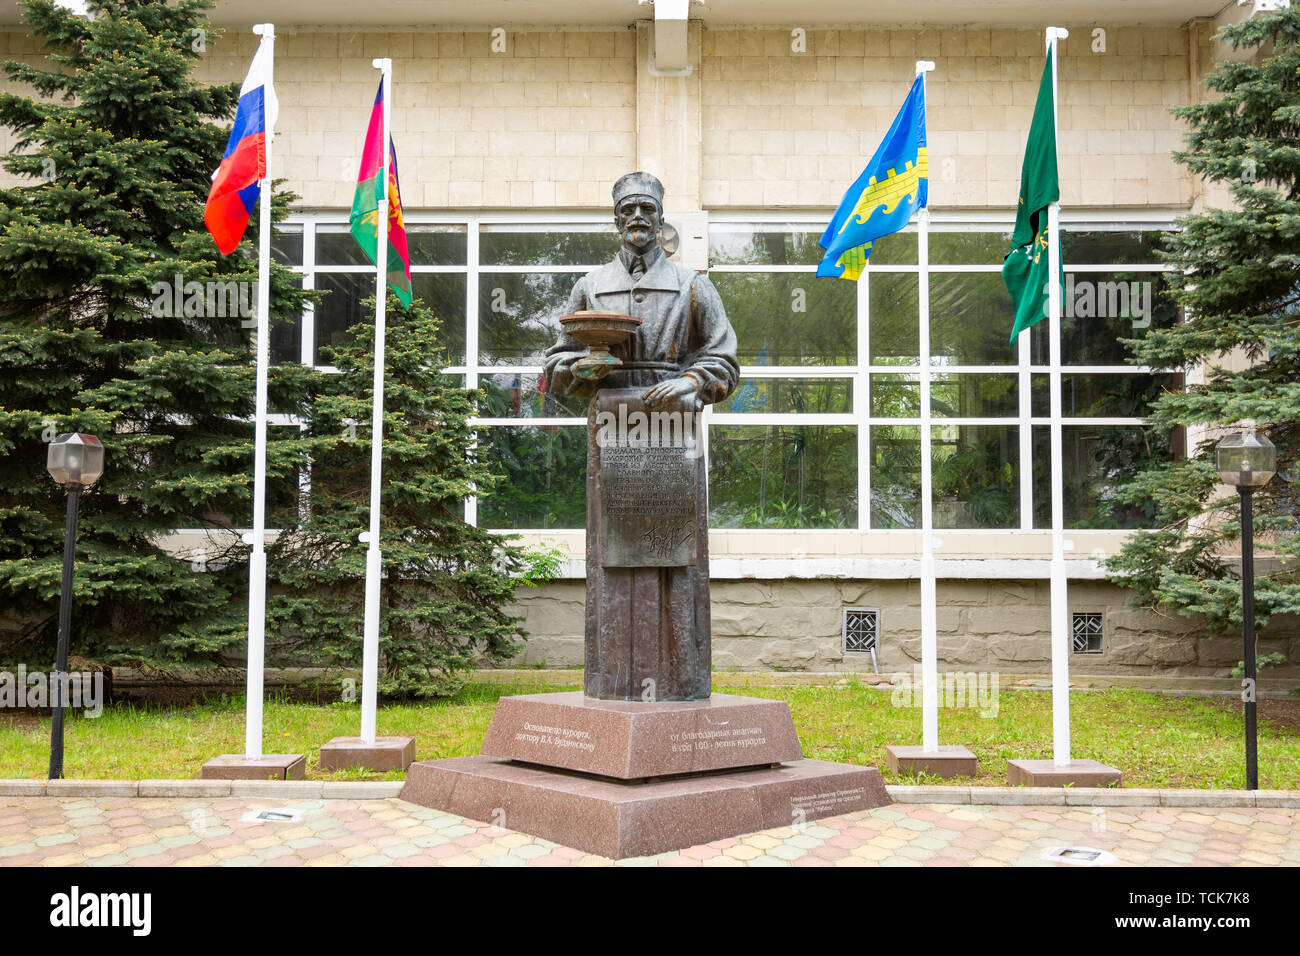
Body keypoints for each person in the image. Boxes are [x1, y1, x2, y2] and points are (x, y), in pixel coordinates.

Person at [543, 171, 739, 700]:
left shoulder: (692, 284)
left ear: (659, 218)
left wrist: (693, 381)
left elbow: (723, 356)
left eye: (646, 210)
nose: (637, 218)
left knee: (672, 552)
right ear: (615, 219)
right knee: (614, 549)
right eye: (627, 209)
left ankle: (679, 683)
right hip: (612, 424)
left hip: (671, 426)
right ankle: (613, 682)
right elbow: (557, 359)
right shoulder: (590, 285)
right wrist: (581, 370)